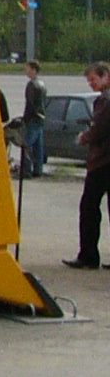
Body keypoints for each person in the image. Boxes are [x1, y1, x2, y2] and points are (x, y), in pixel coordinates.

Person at [65, 62, 110, 269]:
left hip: (102, 162)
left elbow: (99, 128)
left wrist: (84, 137)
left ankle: (88, 255)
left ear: (105, 77)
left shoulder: (105, 101)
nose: (91, 84)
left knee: (89, 208)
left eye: (93, 79)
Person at [22, 61, 48, 178]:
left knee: (26, 145)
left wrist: (25, 119)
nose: (26, 71)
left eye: (27, 68)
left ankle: (26, 171)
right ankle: (38, 170)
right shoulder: (42, 84)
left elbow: (30, 104)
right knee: (38, 147)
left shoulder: (31, 85)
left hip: (32, 119)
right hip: (41, 118)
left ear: (33, 70)